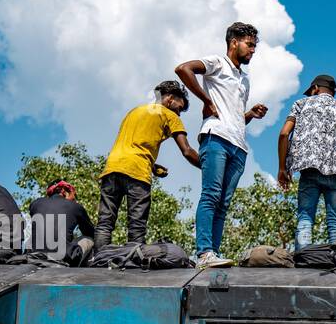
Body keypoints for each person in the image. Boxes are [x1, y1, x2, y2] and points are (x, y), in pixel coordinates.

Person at [175, 22, 268, 267]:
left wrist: (249, 114)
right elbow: (183, 69)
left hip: (238, 145)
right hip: (215, 137)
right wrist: (205, 100)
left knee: (224, 203)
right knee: (211, 195)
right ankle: (204, 252)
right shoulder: (217, 62)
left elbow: (233, 116)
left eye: (254, 46)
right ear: (234, 42)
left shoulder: (244, 79)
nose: (253, 51)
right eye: (249, 45)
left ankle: (214, 254)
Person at [96, 81, 201, 251]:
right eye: (179, 108)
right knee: (136, 226)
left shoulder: (134, 111)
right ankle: (133, 265)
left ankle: (98, 261)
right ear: (169, 99)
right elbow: (187, 151)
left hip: (112, 168)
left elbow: (134, 143)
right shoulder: (169, 115)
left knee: (105, 222)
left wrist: (152, 165)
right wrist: (208, 168)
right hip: (137, 173)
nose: (179, 114)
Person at [276, 73, 336, 250]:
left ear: (315, 88)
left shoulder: (301, 104)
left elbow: (284, 134)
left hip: (309, 171)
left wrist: (282, 168)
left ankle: (302, 259)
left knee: (305, 217)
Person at [27, 179, 95, 264]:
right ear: (63, 191)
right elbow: (91, 232)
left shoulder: (35, 203)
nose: (74, 198)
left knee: (33, 237)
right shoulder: (76, 207)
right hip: (64, 257)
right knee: (89, 239)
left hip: (36, 255)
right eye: (74, 194)